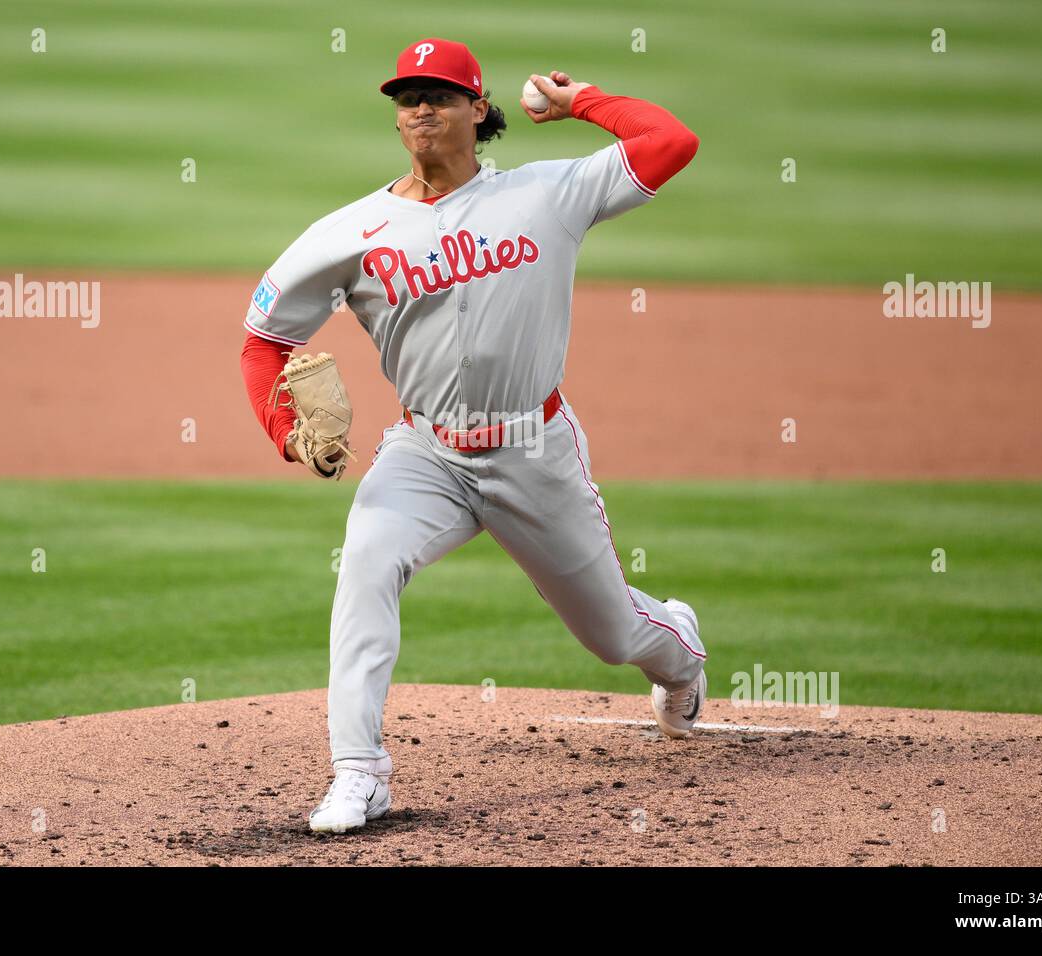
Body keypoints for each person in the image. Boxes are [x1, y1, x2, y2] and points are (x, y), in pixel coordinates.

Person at [239, 37, 704, 834]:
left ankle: (681, 651)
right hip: (425, 452)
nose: (420, 107)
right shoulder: (351, 231)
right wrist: (285, 429)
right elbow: (262, 340)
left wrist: (580, 99)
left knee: (610, 632)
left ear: (477, 110)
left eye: (441, 94)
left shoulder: (549, 192)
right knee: (364, 564)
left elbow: (670, 143)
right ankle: (360, 772)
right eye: (407, 96)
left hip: (535, 448)